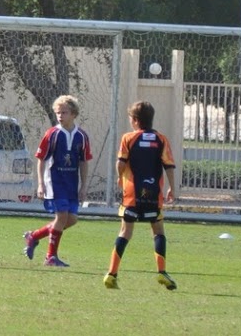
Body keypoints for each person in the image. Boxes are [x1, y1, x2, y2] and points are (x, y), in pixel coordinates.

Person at [103, 102, 178, 290]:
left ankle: (112, 274)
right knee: (158, 231)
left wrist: (120, 179)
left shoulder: (128, 138)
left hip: (131, 195)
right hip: (153, 195)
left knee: (125, 232)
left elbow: (120, 163)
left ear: (135, 120)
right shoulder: (161, 139)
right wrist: (172, 188)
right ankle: (162, 272)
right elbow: (168, 166)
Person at [24, 95, 91, 267]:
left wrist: (83, 186)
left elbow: (83, 162)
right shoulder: (52, 134)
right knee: (61, 216)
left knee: (72, 219)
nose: (60, 116)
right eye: (57, 113)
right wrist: (40, 184)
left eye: (64, 112)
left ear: (74, 114)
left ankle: (35, 236)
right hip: (54, 182)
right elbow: (41, 159)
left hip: (71, 184)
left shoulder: (81, 137)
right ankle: (50, 257)